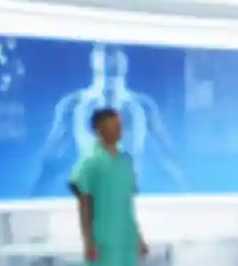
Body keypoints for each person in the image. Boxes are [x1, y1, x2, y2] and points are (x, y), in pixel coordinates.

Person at [35, 43, 185, 195]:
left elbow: (166, 155)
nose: (110, 60)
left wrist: (185, 195)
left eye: (114, 54)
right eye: (106, 54)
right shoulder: (73, 105)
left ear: (124, 62)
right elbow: (50, 160)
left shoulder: (142, 106)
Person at [69, 108, 153, 266]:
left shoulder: (125, 160)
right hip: (104, 240)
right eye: (113, 124)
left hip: (126, 237)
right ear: (98, 128)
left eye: (120, 124)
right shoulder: (91, 161)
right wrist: (88, 241)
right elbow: (84, 203)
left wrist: (138, 237)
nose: (119, 129)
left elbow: (126, 203)